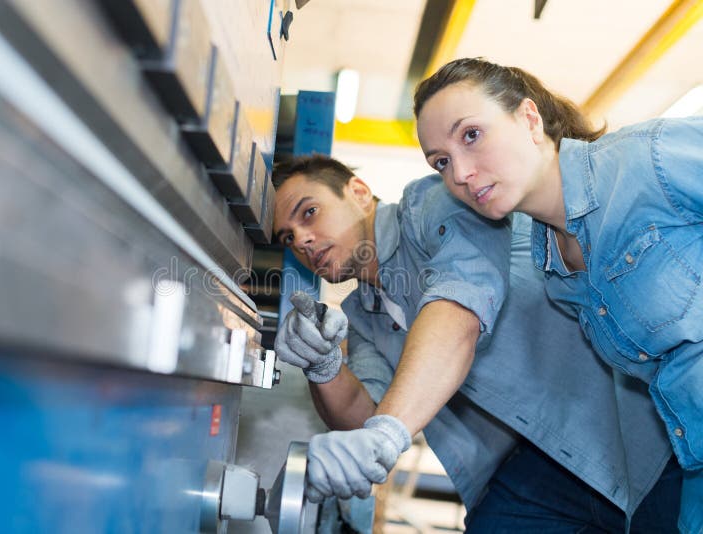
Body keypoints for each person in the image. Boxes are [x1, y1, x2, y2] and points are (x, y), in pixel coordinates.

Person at [271, 154, 680, 531]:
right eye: (288, 238)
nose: (303, 240)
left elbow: (460, 301)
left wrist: (385, 433)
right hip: (527, 472)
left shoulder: (432, 203)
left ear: (358, 193)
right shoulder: (363, 315)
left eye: (309, 212)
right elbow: (364, 422)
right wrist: (323, 367)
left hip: (627, 431)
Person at [412, 56, 702, 533]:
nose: (460, 172)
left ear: (529, 119)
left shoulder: (646, 161)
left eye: (470, 135)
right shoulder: (554, 267)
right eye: (441, 162)